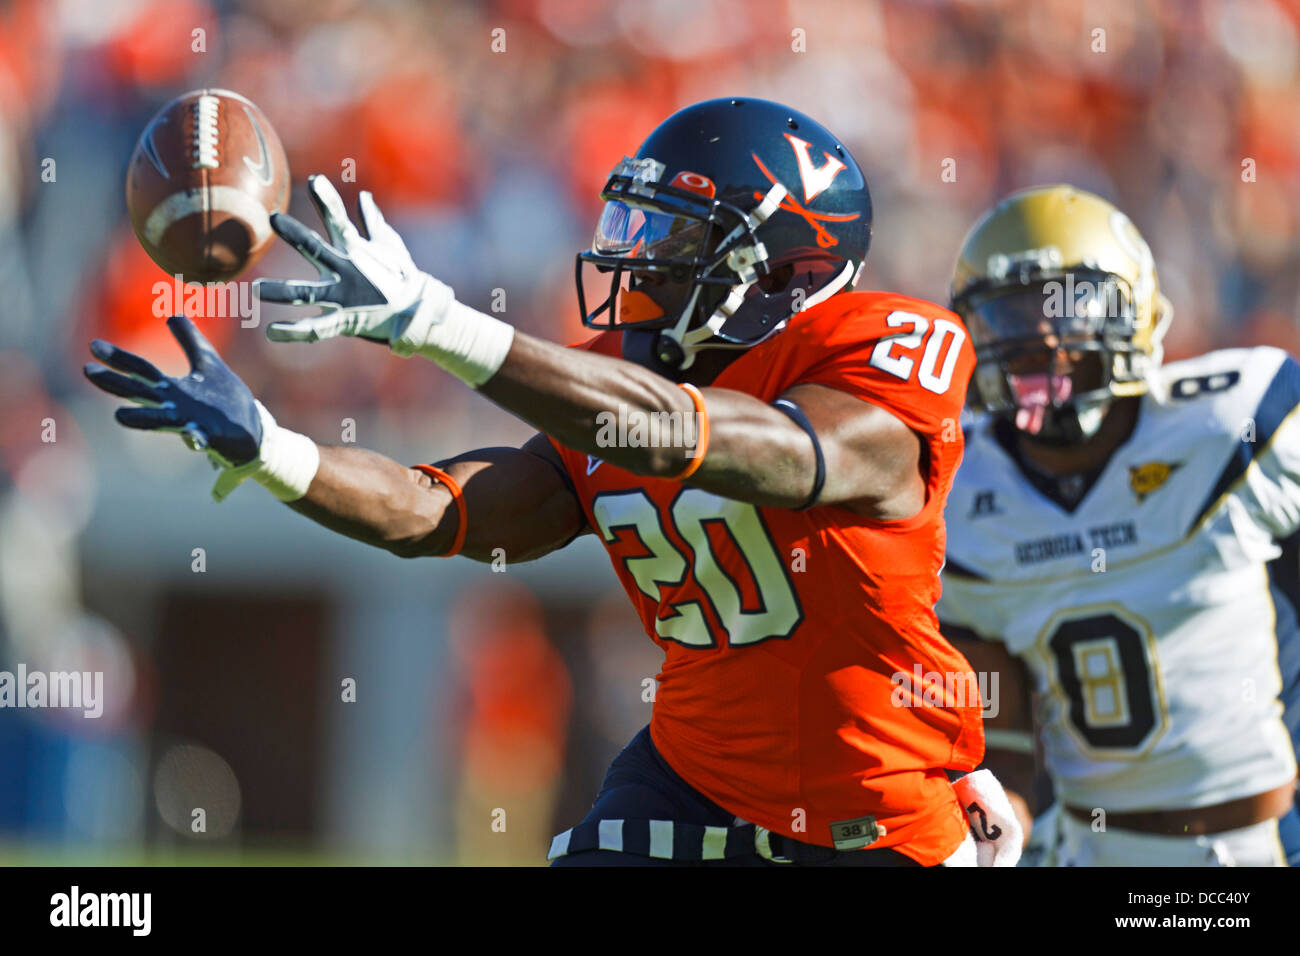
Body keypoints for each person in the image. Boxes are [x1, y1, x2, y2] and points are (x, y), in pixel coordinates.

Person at [85, 97, 1020, 866]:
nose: (633, 255)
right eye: (633, 223)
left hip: (875, 804)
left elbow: (729, 444)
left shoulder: (884, 349)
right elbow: (435, 511)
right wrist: (270, 448)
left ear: (782, 265)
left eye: (675, 235)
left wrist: (440, 325)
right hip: (693, 780)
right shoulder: (618, 375)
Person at [937, 184, 1300, 866]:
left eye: (1072, 307)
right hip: (1094, 854)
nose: (1043, 338)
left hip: (1266, 842)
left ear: (1134, 307)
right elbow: (1002, 737)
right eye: (1011, 313)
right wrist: (995, 838)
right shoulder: (965, 492)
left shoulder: (1234, 424)